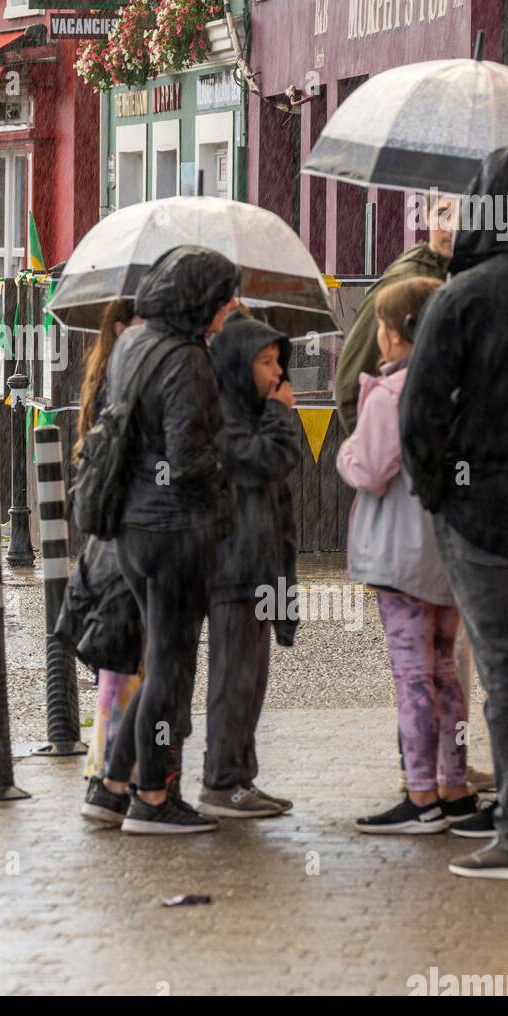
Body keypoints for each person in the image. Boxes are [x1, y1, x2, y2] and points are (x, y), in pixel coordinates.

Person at [401, 146, 508, 880]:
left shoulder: (461, 296)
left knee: (504, 671)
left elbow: (419, 415)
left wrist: (440, 497)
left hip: (481, 514)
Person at [80, 246, 240, 836]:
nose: (230, 308)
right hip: (174, 529)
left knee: (153, 668)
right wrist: (225, 471)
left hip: (130, 528)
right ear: (200, 300)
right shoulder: (186, 360)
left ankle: (112, 787)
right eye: (224, 298)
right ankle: (152, 797)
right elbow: (188, 457)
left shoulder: (133, 343)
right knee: (169, 670)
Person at [337, 276, 470, 835]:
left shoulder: (393, 395)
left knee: (413, 674)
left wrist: (345, 450)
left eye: (383, 327)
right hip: (448, 553)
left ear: (394, 333)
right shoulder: (460, 385)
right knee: (447, 672)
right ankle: (454, 787)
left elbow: (367, 468)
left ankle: (420, 796)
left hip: (400, 553)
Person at [199, 315, 301, 820]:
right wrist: (281, 415)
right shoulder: (225, 415)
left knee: (252, 679)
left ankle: (241, 775)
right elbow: (267, 460)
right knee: (233, 677)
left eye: (278, 361)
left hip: (259, 567)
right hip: (234, 568)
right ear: (240, 365)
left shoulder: (251, 410)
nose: (276, 373)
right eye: (265, 362)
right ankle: (221, 782)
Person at [70, 298, 145, 815]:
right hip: (123, 533)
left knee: (120, 659)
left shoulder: (105, 374)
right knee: (123, 658)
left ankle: (110, 763)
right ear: (121, 327)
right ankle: (111, 771)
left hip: (106, 534)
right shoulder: (120, 383)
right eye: (139, 323)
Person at [334, 195, 456, 435]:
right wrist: (385, 458)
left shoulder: (468, 274)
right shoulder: (406, 281)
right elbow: (350, 385)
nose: (454, 226)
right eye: (444, 214)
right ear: (427, 216)